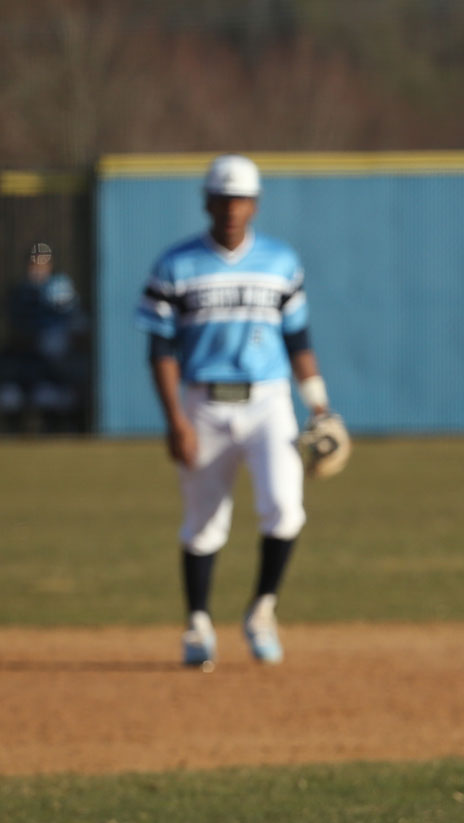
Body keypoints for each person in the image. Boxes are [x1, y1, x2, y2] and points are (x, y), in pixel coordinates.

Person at [137, 154, 333, 669]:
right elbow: (159, 350)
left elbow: (299, 339)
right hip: (203, 402)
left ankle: (262, 610)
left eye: (241, 199)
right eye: (223, 199)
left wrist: (319, 405)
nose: (231, 209)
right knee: (204, 524)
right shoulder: (175, 264)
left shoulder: (281, 261)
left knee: (286, 510)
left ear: (255, 204)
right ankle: (198, 624)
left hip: (269, 400)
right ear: (207, 202)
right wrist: (174, 420)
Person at [2, 241, 89, 432]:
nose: (37, 269)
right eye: (34, 264)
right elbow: (16, 332)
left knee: (54, 396)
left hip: (56, 361)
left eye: (42, 264)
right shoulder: (20, 292)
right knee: (10, 397)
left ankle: (61, 428)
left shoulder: (60, 287)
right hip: (28, 359)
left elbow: (77, 327)